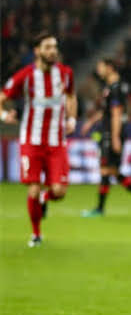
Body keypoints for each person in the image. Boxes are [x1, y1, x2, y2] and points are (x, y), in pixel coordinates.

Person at [0, 32, 77, 247]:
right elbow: (1, 98)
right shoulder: (25, 76)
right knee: (33, 189)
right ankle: (36, 234)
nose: (53, 51)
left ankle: (45, 198)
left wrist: (72, 118)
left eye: (54, 47)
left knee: (59, 191)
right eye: (48, 47)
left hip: (56, 141)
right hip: (31, 141)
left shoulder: (66, 73)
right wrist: (4, 115)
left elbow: (71, 96)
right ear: (37, 51)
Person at [80, 59, 131, 218]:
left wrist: (115, 137)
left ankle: (100, 209)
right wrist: (91, 122)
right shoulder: (112, 87)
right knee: (111, 170)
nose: (98, 70)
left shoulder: (116, 88)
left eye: (100, 67)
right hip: (109, 131)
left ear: (110, 68)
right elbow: (106, 111)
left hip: (111, 133)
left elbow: (117, 114)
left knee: (106, 170)